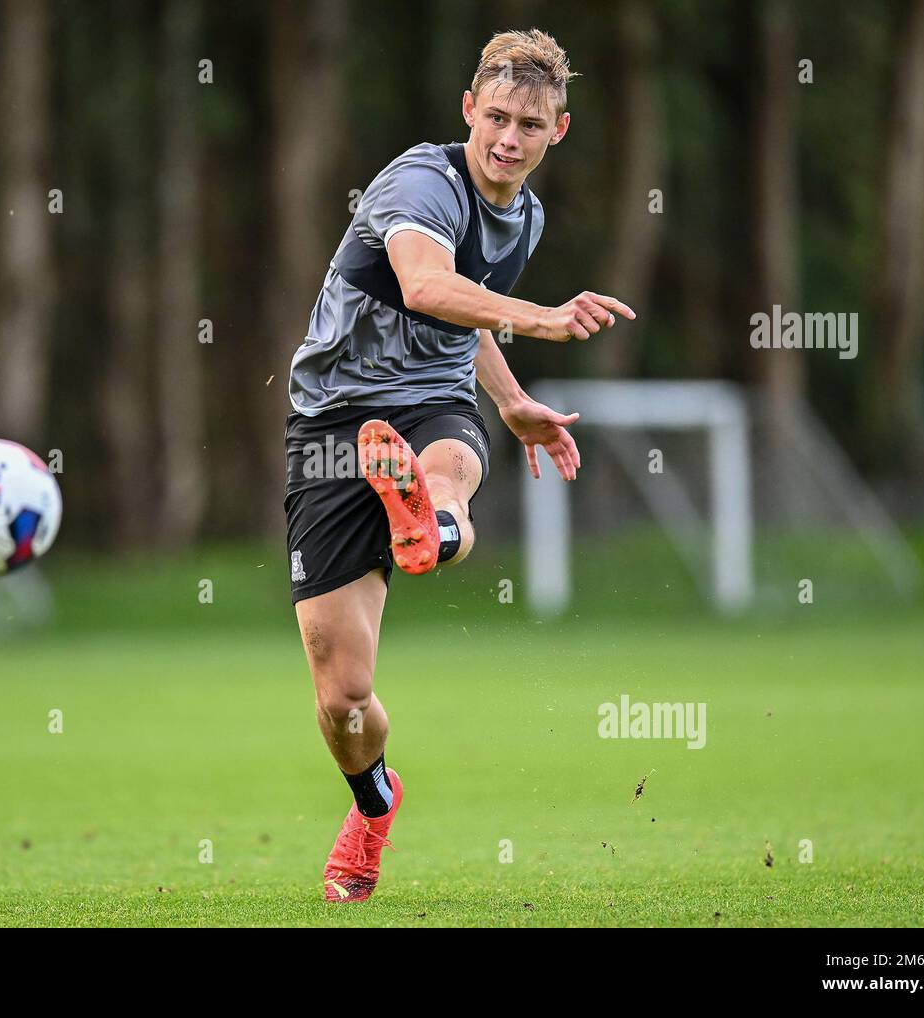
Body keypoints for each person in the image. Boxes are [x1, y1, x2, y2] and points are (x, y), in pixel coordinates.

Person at [283, 27, 635, 902]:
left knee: (447, 467)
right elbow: (426, 286)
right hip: (333, 421)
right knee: (345, 701)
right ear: (469, 110)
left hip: (432, 401)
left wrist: (510, 401)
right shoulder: (419, 181)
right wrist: (546, 320)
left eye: (530, 124)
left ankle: (430, 521)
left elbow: (463, 318)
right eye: (498, 118)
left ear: (559, 131)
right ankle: (374, 801)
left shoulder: (527, 215)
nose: (509, 139)